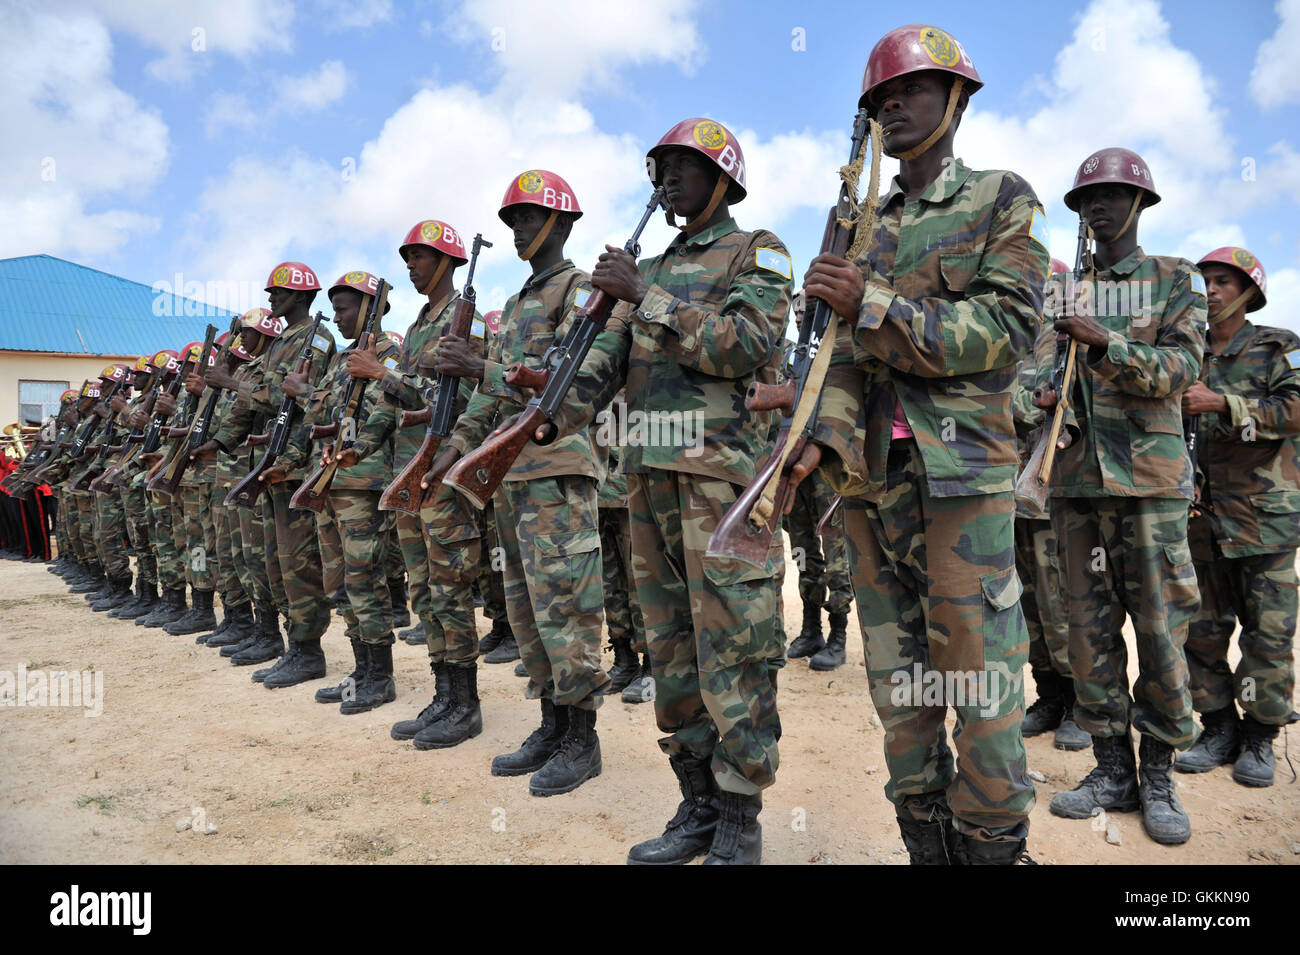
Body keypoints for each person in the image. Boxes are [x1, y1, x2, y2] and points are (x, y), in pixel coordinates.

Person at [801, 25, 1046, 864]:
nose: (892, 107)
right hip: (871, 486)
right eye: (879, 99)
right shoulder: (857, 220)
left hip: (962, 480)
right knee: (899, 688)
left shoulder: (1000, 198)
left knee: (978, 679)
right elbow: (831, 361)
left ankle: (993, 847)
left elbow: (1007, 326)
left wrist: (872, 303)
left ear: (957, 99)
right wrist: (816, 441)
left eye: (910, 91)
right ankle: (927, 844)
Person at [544, 119, 792, 862]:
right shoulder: (645, 265)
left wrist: (643, 295)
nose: (669, 179)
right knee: (674, 654)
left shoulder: (760, 250)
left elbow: (744, 343)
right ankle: (697, 804)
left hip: (720, 485)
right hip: (649, 482)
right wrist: (556, 382)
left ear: (724, 178)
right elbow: (600, 374)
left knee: (736, 650)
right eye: (662, 168)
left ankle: (741, 818)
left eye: (685, 166)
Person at [1035, 147, 1204, 846]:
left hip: (1151, 487)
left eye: (1109, 195)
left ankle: (1158, 771)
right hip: (1077, 484)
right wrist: (1040, 394)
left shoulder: (1174, 279)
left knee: (1162, 632)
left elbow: (1184, 368)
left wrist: (1108, 345)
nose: (1095, 207)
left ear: (1139, 203)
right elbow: (1044, 367)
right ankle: (1111, 766)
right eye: (1085, 199)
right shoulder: (1064, 289)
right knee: (1088, 632)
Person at [432, 170, 611, 795]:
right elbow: (489, 398)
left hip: (556, 473)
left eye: (530, 219)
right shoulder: (512, 306)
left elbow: (564, 374)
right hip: (508, 477)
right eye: (512, 221)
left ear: (561, 224)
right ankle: (550, 721)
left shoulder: (584, 290)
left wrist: (481, 365)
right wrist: (455, 446)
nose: (519, 230)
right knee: (527, 608)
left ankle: (582, 739)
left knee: (568, 605)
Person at [344, 220, 489, 748]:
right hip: (410, 476)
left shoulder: (461, 321)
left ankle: (466, 704)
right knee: (425, 590)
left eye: (421, 257)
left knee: (451, 589)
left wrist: (384, 376)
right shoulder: (419, 325)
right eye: (407, 257)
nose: (411, 265)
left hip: (444, 474)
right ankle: (444, 694)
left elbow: (471, 394)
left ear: (447, 262)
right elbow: (393, 405)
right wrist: (360, 445)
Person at [1175, 247, 1297, 788]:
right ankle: (1218, 727)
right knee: (1200, 631)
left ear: (1248, 291)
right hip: (1197, 518)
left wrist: (1224, 405)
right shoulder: (1183, 350)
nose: (1212, 290)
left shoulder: (1279, 346)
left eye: (1223, 281)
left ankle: (1260, 737)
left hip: (1264, 518)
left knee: (1267, 635)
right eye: (1205, 282)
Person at [203, 262, 336, 687]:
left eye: (279, 291)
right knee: (276, 560)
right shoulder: (281, 342)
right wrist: (217, 442)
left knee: (297, 562)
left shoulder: (315, 338)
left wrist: (230, 383)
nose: (271, 297)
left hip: (295, 465)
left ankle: (309, 651)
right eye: (270, 290)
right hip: (274, 463)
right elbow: (261, 403)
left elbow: (291, 396)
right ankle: (290, 643)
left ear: (301, 295)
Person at [286, 270, 404, 714]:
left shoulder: (389, 355)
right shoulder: (342, 360)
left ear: (372, 309)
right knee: (340, 583)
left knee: (366, 580)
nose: (336, 318)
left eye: (344, 309)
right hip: (330, 482)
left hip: (363, 483)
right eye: (334, 310)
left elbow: (393, 408)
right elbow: (324, 411)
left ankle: (381, 675)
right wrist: (304, 392)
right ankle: (361, 670)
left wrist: (375, 372)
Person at [1013, 259, 1089, 751]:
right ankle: (1050, 696)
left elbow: (1067, 409)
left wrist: (1015, 405)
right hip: (1011, 497)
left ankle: (1082, 702)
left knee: (1061, 605)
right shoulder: (1016, 344)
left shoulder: (1070, 350)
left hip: (1053, 497)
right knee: (1029, 608)